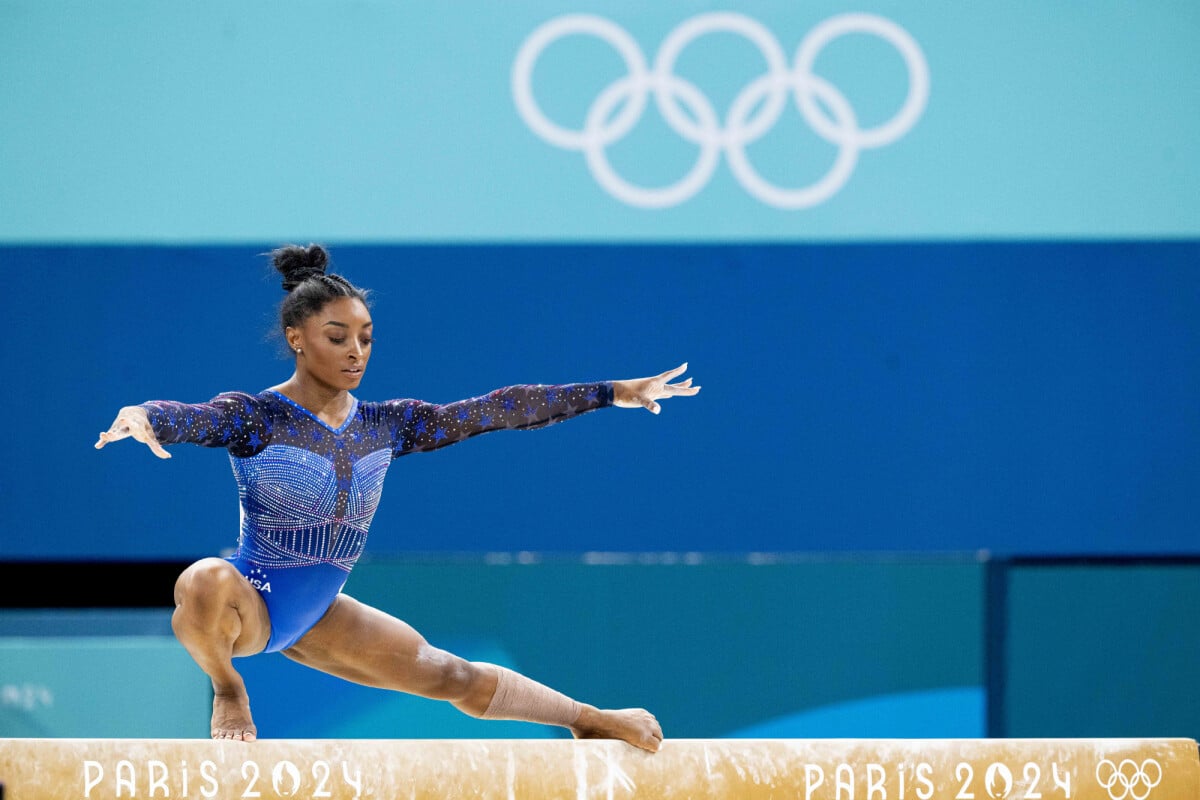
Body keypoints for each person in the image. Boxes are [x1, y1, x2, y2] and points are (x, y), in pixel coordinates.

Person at [94, 243, 699, 751]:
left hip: (319, 614)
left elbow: (496, 409)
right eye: (337, 337)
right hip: (249, 603)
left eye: (365, 337)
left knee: (452, 674)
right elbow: (197, 418)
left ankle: (586, 719)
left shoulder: (387, 425)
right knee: (203, 578)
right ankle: (228, 686)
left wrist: (611, 391)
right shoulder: (257, 416)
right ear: (297, 338)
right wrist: (147, 416)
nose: (355, 351)